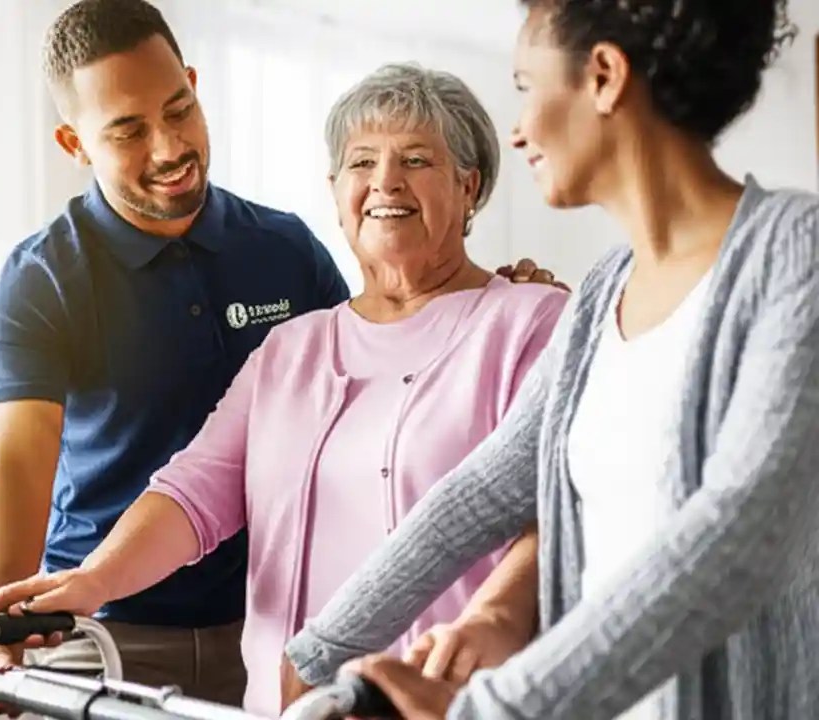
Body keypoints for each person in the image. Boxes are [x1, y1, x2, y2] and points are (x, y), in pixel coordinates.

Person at [0, 62, 570, 714]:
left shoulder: (532, 324)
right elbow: (194, 490)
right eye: (361, 162)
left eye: (417, 160)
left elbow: (557, 509)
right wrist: (93, 580)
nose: (384, 182)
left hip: (441, 698)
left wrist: (491, 622)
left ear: (469, 185)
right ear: (336, 189)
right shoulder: (292, 347)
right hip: (283, 704)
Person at [280, 1, 819, 719]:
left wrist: (500, 706)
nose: (518, 129)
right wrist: (317, 654)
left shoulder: (795, 255)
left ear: (602, 76)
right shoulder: (601, 294)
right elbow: (478, 493)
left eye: (527, 88)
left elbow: (742, 536)